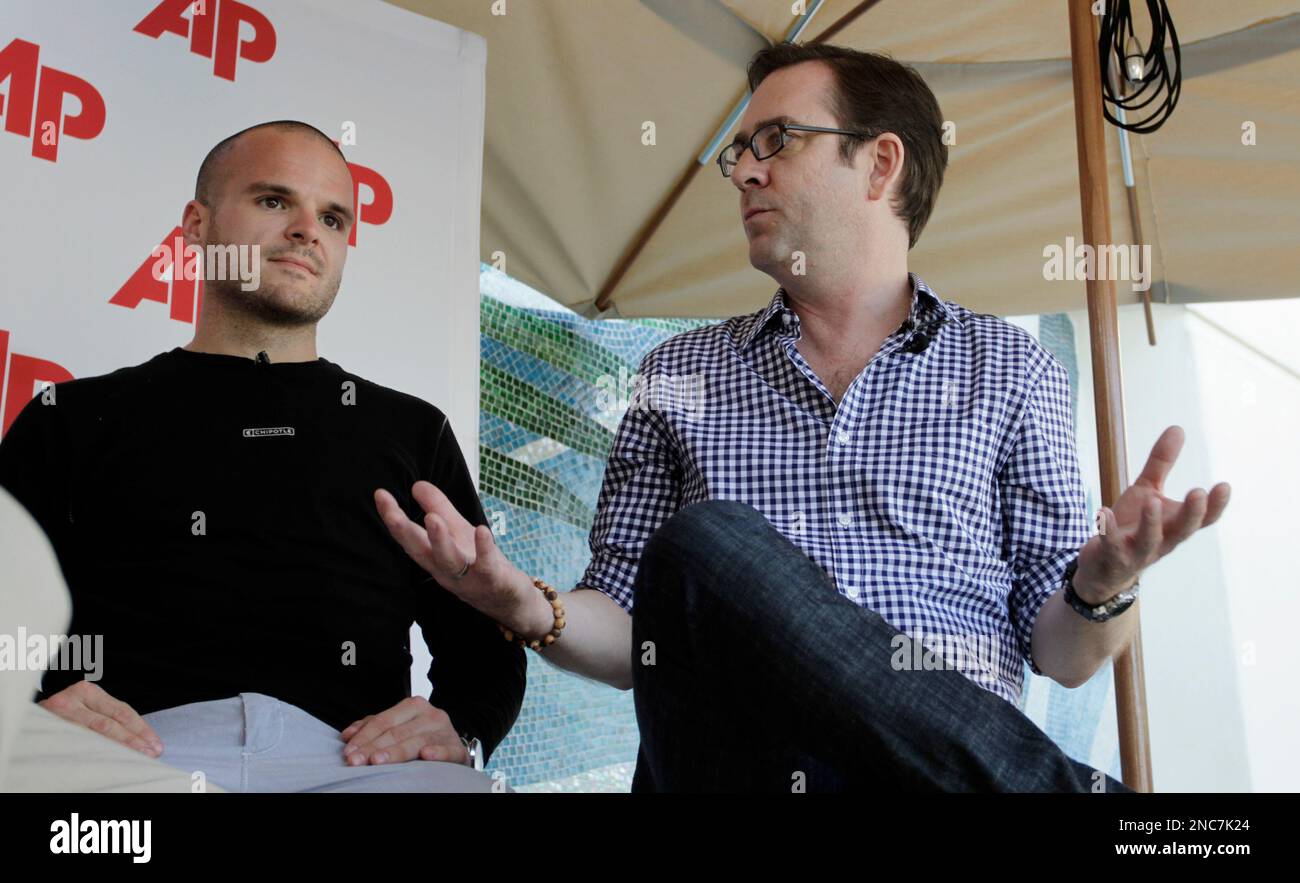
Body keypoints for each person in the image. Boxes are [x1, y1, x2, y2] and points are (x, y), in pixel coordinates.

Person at [374, 45, 1231, 793]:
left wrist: (1103, 583)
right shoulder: (677, 374)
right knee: (704, 546)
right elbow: (633, 625)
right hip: (730, 762)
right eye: (739, 151)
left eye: (775, 141)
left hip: (935, 773)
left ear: (881, 164)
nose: (744, 169)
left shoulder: (1012, 371)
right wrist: (529, 607)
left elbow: (1066, 657)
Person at [0, 120, 524, 793]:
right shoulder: (65, 419)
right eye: (275, 201)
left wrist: (464, 725)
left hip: (361, 771)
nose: (308, 229)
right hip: (125, 765)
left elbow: (484, 636)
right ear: (196, 224)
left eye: (333, 217)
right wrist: (30, 708)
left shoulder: (413, 431)